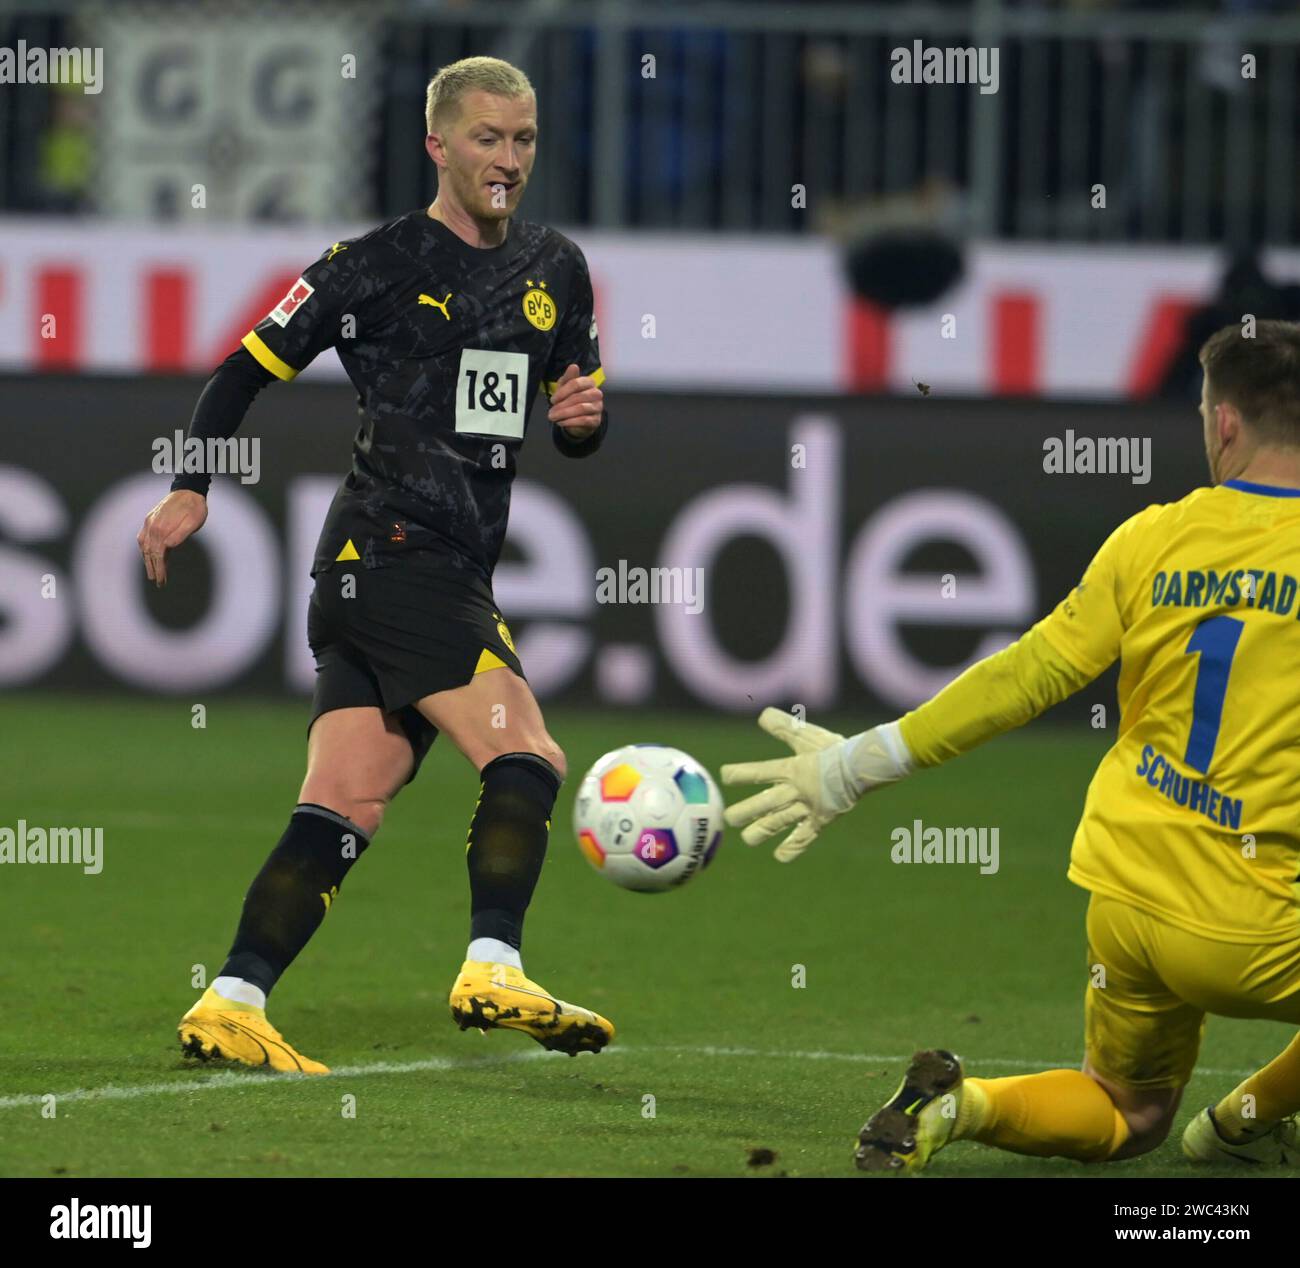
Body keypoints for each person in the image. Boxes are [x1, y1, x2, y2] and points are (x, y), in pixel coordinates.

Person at [722, 320, 1300, 1170]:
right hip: (1254, 920)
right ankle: (1237, 1124)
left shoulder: (1150, 539)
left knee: (1125, 1113)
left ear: (1223, 423)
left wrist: (851, 767)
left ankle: (963, 1106)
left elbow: (1026, 677)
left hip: (1128, 895)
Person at [136, 56, 613, 1073]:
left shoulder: (556, 268)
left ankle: (231, 999)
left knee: (344, 802)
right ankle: (493, 961)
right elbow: (243, 366)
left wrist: (580, 420)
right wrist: (193, 486)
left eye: (523, 140)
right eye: (488, 139)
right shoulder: (372, 263)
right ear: (438, 145)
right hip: (398, 554)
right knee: (525, 754)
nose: (508, 160)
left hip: (394, 573)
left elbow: (569, 412)